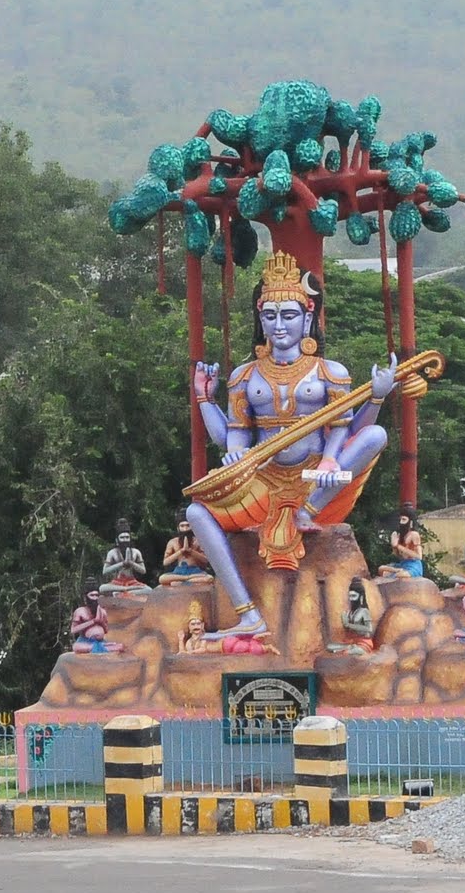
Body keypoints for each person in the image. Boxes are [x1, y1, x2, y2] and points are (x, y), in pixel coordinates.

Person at [188, 250, 398, 639]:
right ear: (260, 320)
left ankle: (306, 512)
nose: (279, 326)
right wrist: (205, 400)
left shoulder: (329, 372)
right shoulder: (244, 375)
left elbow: (346, 427)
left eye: (289, 316)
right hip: (264, 482)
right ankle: (247, 614)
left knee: (375, 435)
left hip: (319, 482)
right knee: (197, 514)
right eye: (270, 316)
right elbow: (232, 436)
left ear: (307, 319)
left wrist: (377, 398)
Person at [159, 509, 213, 586]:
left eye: (188, 525)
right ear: (178, 528)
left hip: (195, 571)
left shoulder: (199, 541)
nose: (185, 529)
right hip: (178, 572)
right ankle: (188, 578)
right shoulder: (173, 542)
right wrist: (181, 551)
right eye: (182, 526)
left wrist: (191, 551)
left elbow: (206, 561)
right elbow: (165, 562)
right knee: (162, 579)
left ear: (192, 526)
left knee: (209, 578)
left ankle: (184, 580)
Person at [100, 519, 151, 595]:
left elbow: (143, 571)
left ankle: (124, 592)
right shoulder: (112, 552)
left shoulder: (136, 552)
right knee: (102, 588)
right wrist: (122, 564)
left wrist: (131, 563)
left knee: (149, 590)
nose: (125, 540)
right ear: (117, 540)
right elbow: (105, 571)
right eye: (122, 538)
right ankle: (126, 590)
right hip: (117, 583)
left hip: (132, 581)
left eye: (127, 537)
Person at [70, 578, 119, 654]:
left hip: (101, 641)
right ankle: (100, 647)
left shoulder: (102, 611)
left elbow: (106, 631)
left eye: (97, 595)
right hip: (86, 642)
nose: (95, 598)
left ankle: (102, 646)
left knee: (120, 646)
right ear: (85, 597)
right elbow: (73, 630)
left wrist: (101, 622)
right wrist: (93, 621)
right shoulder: (80, 611)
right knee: (76, 647)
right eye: (92, 595)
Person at [376, 504, 424, 579]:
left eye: (404, 520)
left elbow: (419, 556)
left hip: (413, 565)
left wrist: (398, 546)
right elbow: (398, 555)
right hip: (402, 565)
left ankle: (397, 572)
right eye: (400, 519)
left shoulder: (414, 535)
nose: (401, 522)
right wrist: (393, 546)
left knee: (400, 575)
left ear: (410, 522)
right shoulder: (399, 535)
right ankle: (397, 570)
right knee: (381, 569)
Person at [331, 578, 376, 655]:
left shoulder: (364, 611)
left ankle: (350, 650)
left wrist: (349, 625)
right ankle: (349, 648)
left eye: (354, 596)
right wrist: (344, 618)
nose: (351, 599)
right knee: (330, 647)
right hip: (352, 642)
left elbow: (369, 629)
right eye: (350, 596)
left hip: (364, 643)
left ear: (360, 596)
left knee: (347, 653)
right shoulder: (349, 612)